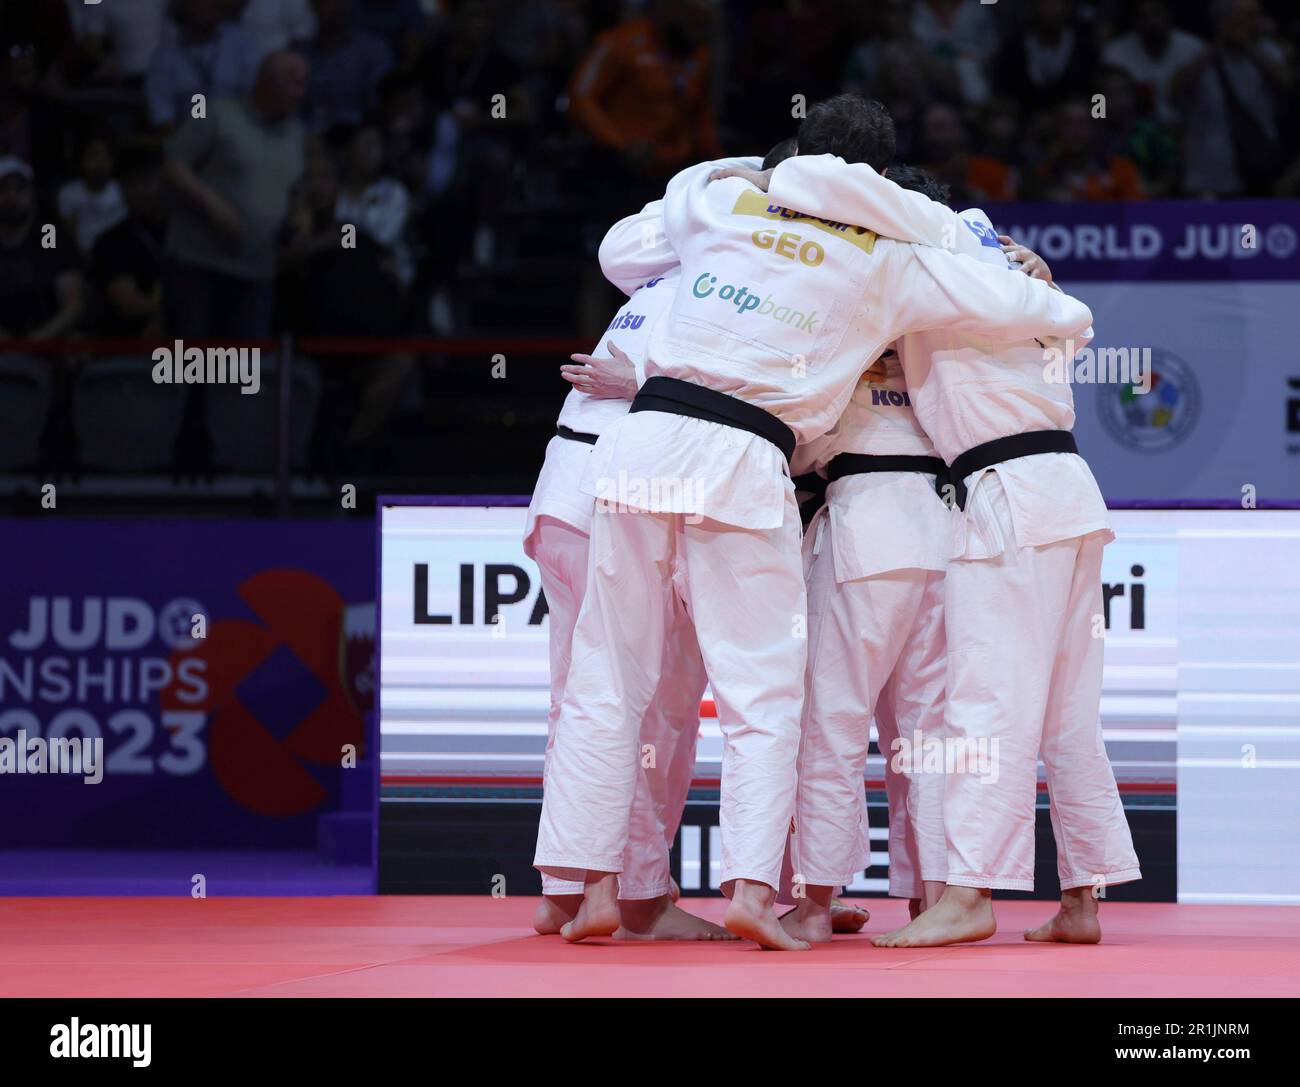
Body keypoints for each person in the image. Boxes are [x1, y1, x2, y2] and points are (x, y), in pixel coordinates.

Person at [534, 94, 1095, 951]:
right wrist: (1031, 277)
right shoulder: (895, 255)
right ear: (877, 173)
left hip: (642, 442)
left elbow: (628, 244)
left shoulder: (721, 201)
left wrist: (752, 185)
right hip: (759, 458)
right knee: (766, 694)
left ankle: (593, 887)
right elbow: (1044, 317)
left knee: (605, 677)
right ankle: (756, 892)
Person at [752, 150, 1141, 947]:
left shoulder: (912, 271)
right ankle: (1081, 899)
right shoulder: (1011, 267)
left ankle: (957, 894)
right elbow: (1070, 331)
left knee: (978, 706)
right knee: (1068, 713)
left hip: (991, 492)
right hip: (1067, 486)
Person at [163, 50, 307, 339]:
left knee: (244, 371)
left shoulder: (296, 133)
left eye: (304, 83)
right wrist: (213, 204)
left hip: (258, 271)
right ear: (268, 81)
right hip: (199, 264)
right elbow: (173, 163)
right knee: (195, 368)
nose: (302, 92)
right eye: (295, 82)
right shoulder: (217, 113)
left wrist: (301, 212)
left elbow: (294, 188)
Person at [57, 133, 126, 256]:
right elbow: (69, 236)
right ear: (81, 159)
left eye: (106, 157)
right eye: (93, 156)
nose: (100, 163)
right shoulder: (68, 194)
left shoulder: (122, 190)